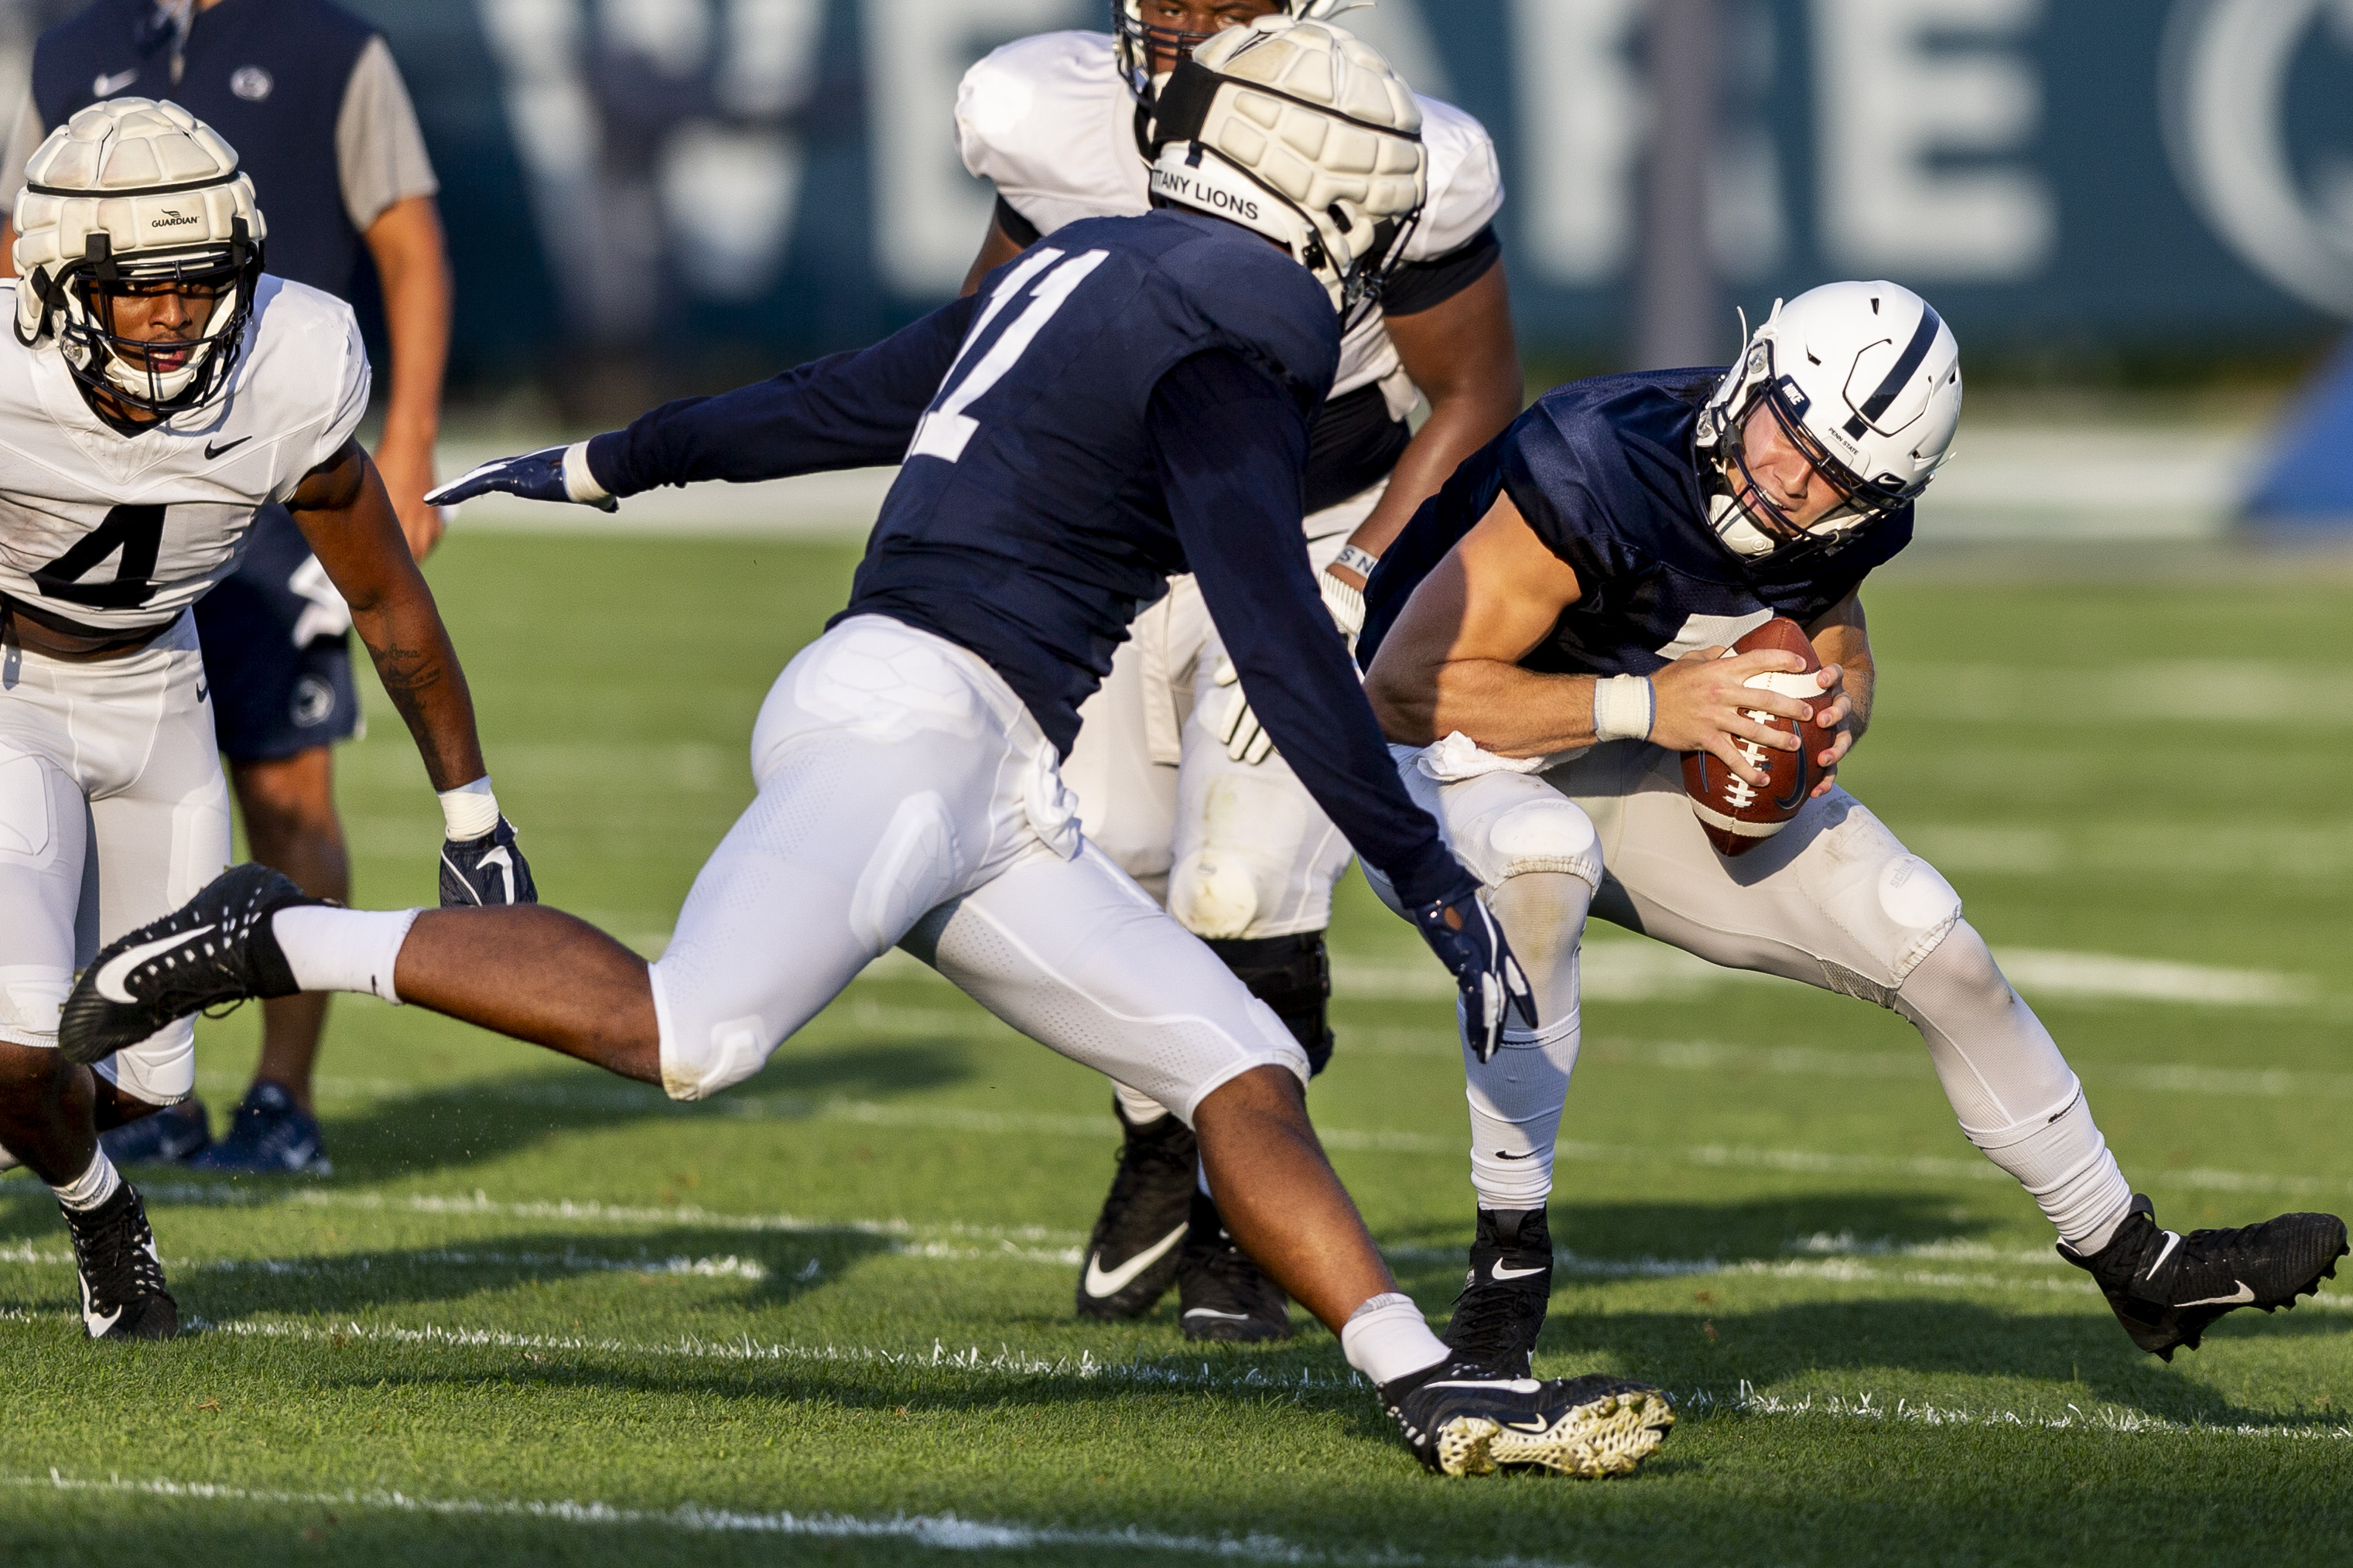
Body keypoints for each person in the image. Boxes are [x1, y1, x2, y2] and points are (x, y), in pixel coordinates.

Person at [65, 22, 1675, 1480]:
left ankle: (1427, 1385)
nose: (1379, 260)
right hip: (919, 723)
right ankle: (274, 934)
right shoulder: (1230, 330)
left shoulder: (1086, 256)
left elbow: (851, 396)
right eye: (1376, 225)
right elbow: (1270, 624)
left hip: (980, 764)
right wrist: (1422, 878)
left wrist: (604, 462)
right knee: (694, 1033)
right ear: (1326, 198)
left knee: (1235, 1063)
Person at [1352, 279, 2351, 1375]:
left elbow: (1838, 641)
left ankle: (2135, 1262)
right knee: (1543, 861)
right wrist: (1654, 706)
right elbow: (1406, 686)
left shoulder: (1848, 512)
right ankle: (1506, 1277)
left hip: (1619, 731)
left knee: (1926, 934)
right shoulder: (1597, 460)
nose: (1789, 482)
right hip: (1434, 751)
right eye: (1787, 434)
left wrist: (1833, 716)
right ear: (1752, 376)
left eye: (1835, 476)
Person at [956, 0, 1524, 1341]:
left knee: (1240, 885)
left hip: (1312, 530)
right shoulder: (1046, 115)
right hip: (1118, 542)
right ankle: (1156, 1137)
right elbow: (992, 336)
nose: (1176, 14)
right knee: (1107, 866)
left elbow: (1473, 391)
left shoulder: (1393, 145)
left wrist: (1354, 574)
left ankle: (1231, 1211)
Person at [0, 97, 527, 1340]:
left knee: (135, 1092)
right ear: (63, 279)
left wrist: (473, 813)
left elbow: (388, 597)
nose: (176, 314)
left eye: (200, 281)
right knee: (24, 1052)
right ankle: (102, 1221)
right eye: (141, 287)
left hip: (163, 694)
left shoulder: (289, 361)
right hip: (13, 690)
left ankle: (92, 1162)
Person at [0, 0, 454, 1173]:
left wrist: (405, 436)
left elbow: (407, 237)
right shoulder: (69, 48)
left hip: (256, 457)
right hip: (96, 467)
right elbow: (22, 245)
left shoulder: (338, 47)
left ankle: (281, 1098)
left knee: (290, 790)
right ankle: (135, 1096)